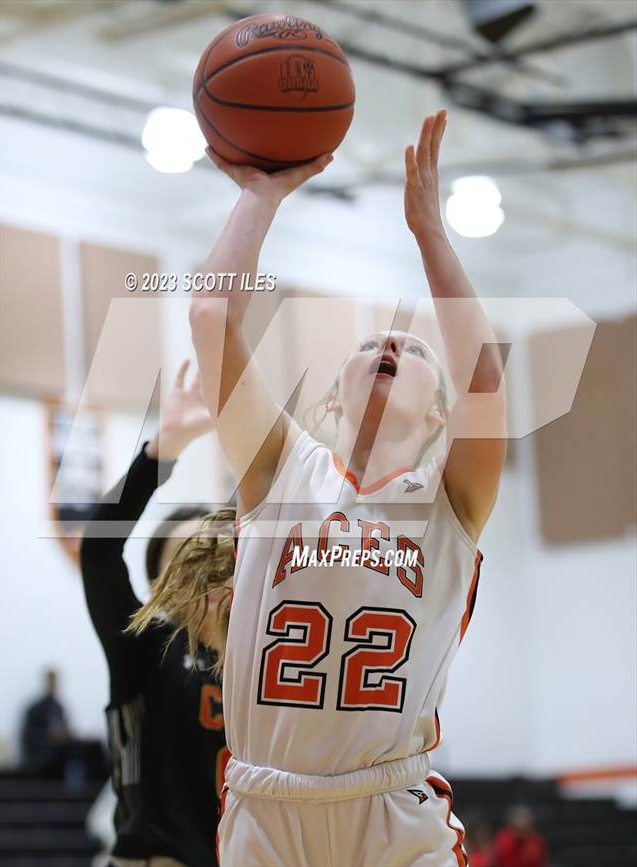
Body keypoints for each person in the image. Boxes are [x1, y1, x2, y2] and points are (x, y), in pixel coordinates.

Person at [148, 109, 506, 866]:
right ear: (335, 400)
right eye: (371, 342)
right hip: (267, 811)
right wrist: (260, 194)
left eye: (413, 349)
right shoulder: (281, 468)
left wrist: (430, 235)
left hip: (392, 814)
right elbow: (212, 316)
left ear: (438, 414)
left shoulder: (449, 502)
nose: (390, 342)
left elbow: (484, 377)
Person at [80, 361, 230, 867]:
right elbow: (99, 551)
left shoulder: (266, 660)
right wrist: (161, 451)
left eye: (220, 554)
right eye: (190, 560)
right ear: (158, 589)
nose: (210, 570)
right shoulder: (144, 646)